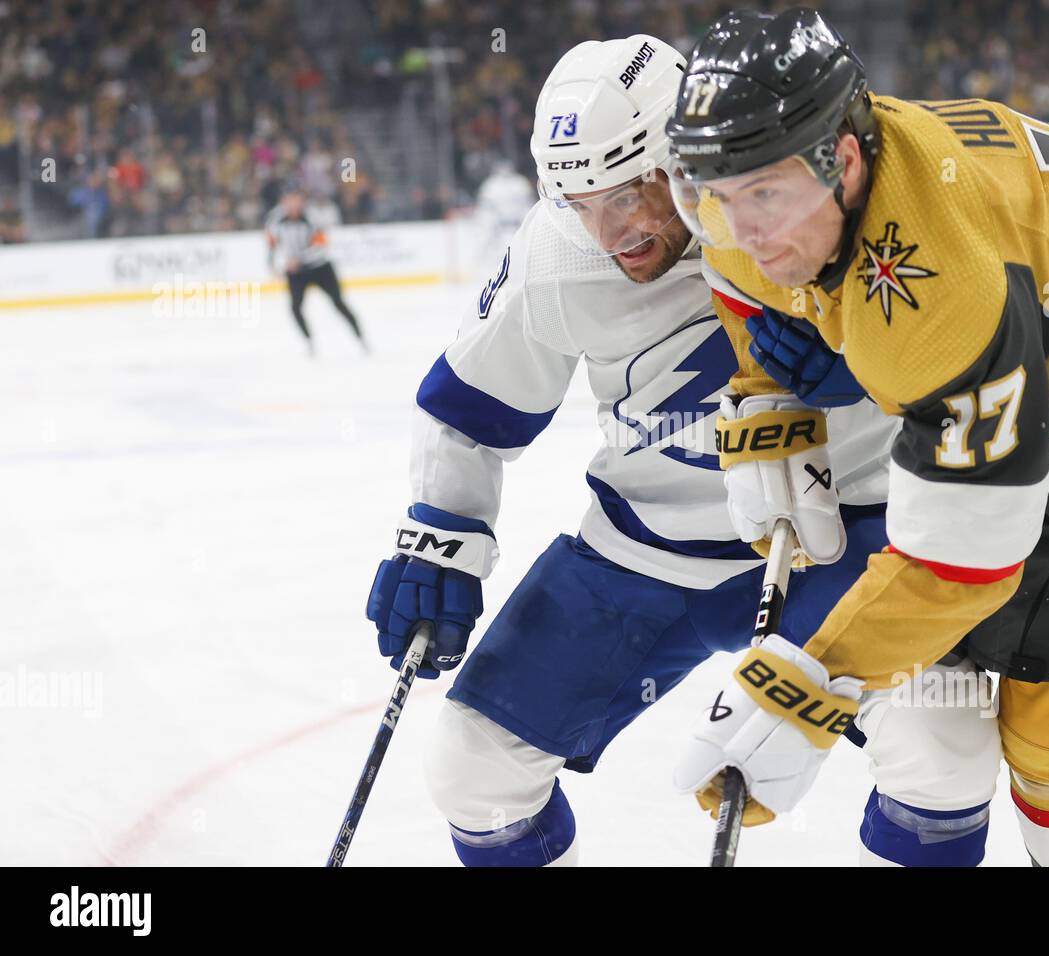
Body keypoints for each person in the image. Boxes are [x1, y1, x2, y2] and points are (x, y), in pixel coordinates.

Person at [665, 7, 1049, 867]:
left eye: (766, 195)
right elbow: (737, 276)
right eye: (716, 197)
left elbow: (962, 559)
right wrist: (767, 398)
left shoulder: (942, 283)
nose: (745, 232)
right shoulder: (759, 207)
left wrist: (807, 686)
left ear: (844, 160)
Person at [363, 35, 1002, 867]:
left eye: (630, 191)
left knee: (943, 742)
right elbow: (472, 407)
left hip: (841, 533)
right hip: (646, 549)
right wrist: (442, 533)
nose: (608, 231)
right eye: (577, 199)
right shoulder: (557, 257)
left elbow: (983, 328)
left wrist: (881, 359)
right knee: (474, 769)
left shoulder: (818, 193)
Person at [264, 185, 367, 355]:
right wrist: (273, 265)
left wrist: (299, 260)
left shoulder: (313, 217)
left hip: (320, 268)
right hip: (295, 272)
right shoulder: (275, 219)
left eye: (296, 199)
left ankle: (360, 337)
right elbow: (271, 244)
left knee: (338, 303)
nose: (293, 204)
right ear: (284, 201)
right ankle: (309, 341)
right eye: (289, 200)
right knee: (295, 307)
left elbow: (322, 246)